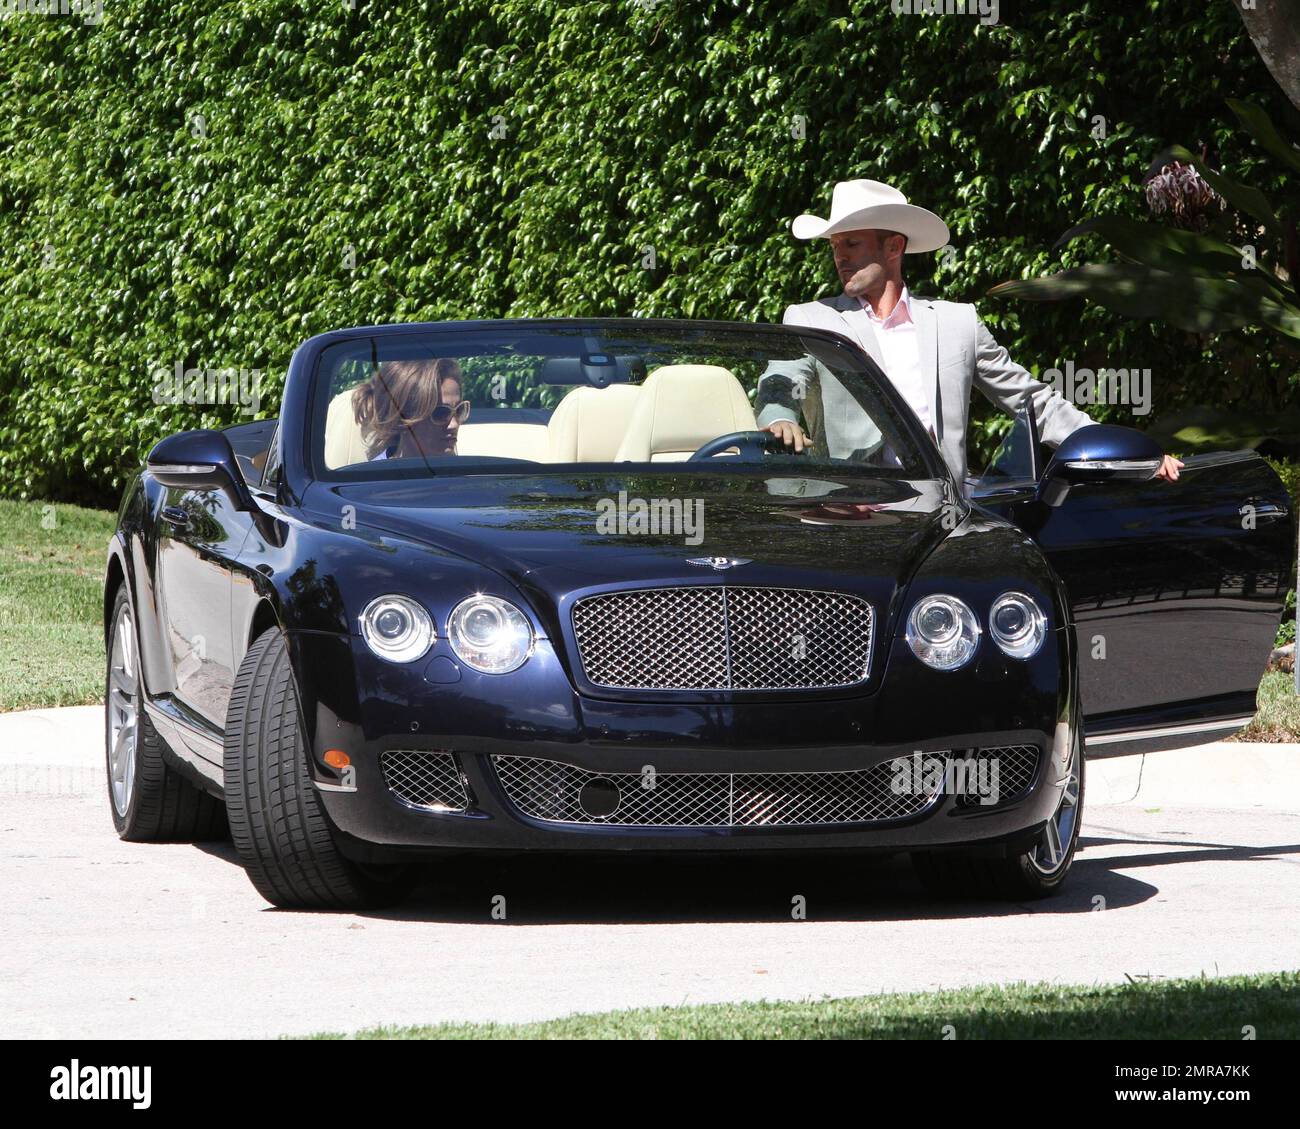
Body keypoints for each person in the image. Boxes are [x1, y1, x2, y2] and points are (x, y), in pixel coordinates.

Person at [756, 178, 1183, 484]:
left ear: (893, 247)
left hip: (939, 511)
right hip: (846, 509)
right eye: (834, 246)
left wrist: (1128, 455)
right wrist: (778, 417)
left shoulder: (957, 322)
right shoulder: (812, 318)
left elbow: (1032, 400)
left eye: (852, 244)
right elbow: (783, 378)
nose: (840, 257)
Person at [352, 357, 470, 461]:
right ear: (402, 419)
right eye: (440, 413)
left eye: (459, 410)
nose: (454, 424)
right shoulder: (374, 481)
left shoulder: (464, 479)